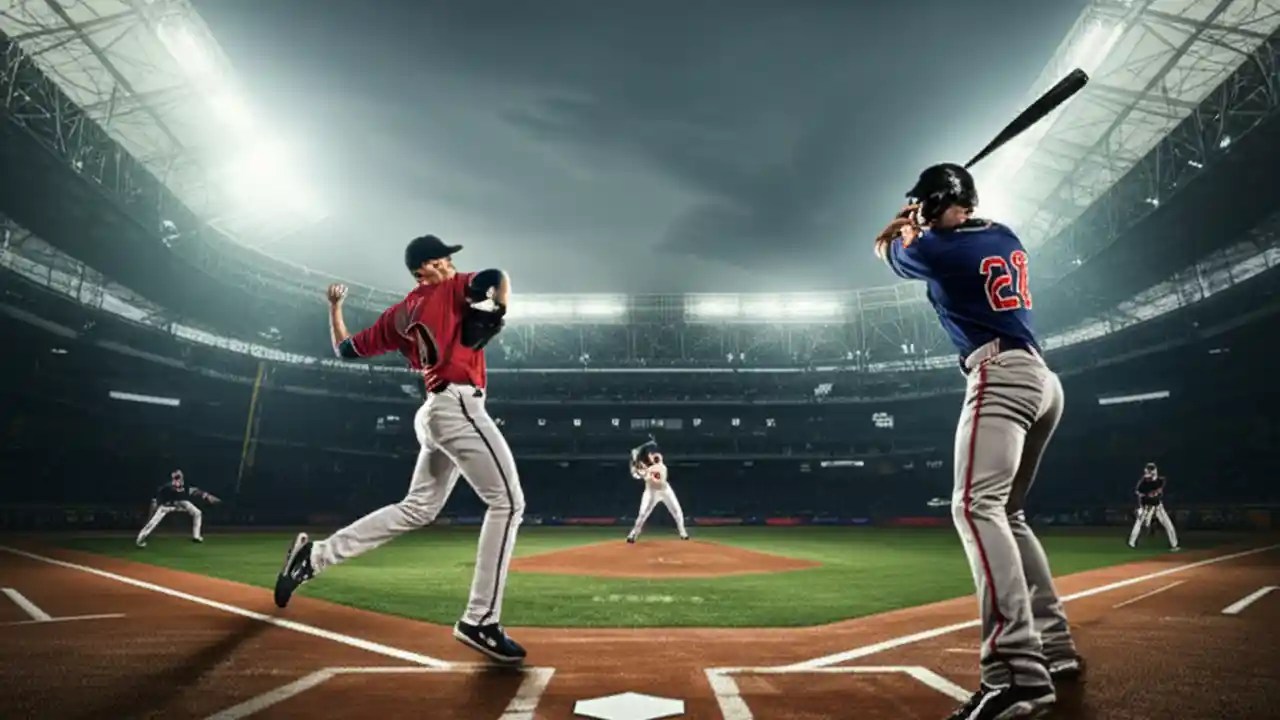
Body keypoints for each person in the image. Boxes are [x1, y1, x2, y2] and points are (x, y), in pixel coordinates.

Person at [874, 164, 1080, 720]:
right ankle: (1056, 649)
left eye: (925, 204)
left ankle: (1017, 675)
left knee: (974, 507)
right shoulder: (1004, 235)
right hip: (1044, 381)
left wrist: (900, 227)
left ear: (940, 202)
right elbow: (934, 236)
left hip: (999, 374)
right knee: (1007, 513)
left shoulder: (938, 250)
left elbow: (889, 253)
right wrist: (923, 216)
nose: (919, 211)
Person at [272, 234, 527, 665]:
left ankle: (313, 558)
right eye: (441, 261)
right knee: (508, 502)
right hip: (457, 404)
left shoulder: (397, 314)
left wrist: (334, 309)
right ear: (422, 270)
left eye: (448, 262)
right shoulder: (448, 288)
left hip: (433, 410)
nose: (449, 266)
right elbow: (496, 277)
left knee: (418, 509)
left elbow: (345, 349)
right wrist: (498, 307)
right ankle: (479, 620)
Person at [625, 438, 689, 543]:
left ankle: (683, 533)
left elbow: (659, 482)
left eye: (656, 455)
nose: (655, 456)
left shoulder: (662, 468)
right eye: (651, 455)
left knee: (677, 511)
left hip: (665, 491)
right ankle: (633, 534)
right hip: (651, 492)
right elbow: (636, 473)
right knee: (642, 514)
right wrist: (637, 468)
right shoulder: (646, 467)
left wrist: (642, 471)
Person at [135, 470, 220, 547]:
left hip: (180, 503)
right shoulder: (167, 487)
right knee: (153, 522)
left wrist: (207, 496)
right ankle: (140, 540)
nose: (178, 479)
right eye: (176, 477)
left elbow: (195, 491)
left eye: (179, 477)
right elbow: (159, 495)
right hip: (166, 506)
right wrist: (155, 503)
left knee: (197, 513)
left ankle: (196, 536)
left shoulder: (184, 485)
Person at [1128, 462, 1180, 550]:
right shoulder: (1143, 482)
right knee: (1139, 524)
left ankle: (1174, 545)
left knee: (1168, 525)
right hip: (1146, 506)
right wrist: (1141, 505)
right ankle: (1131, 543)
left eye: (1149, 472)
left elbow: (1159, 487)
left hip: (1157, 506)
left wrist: (1154, 492)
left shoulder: (1160, 480)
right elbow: (1138, 493)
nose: (1147, 474)